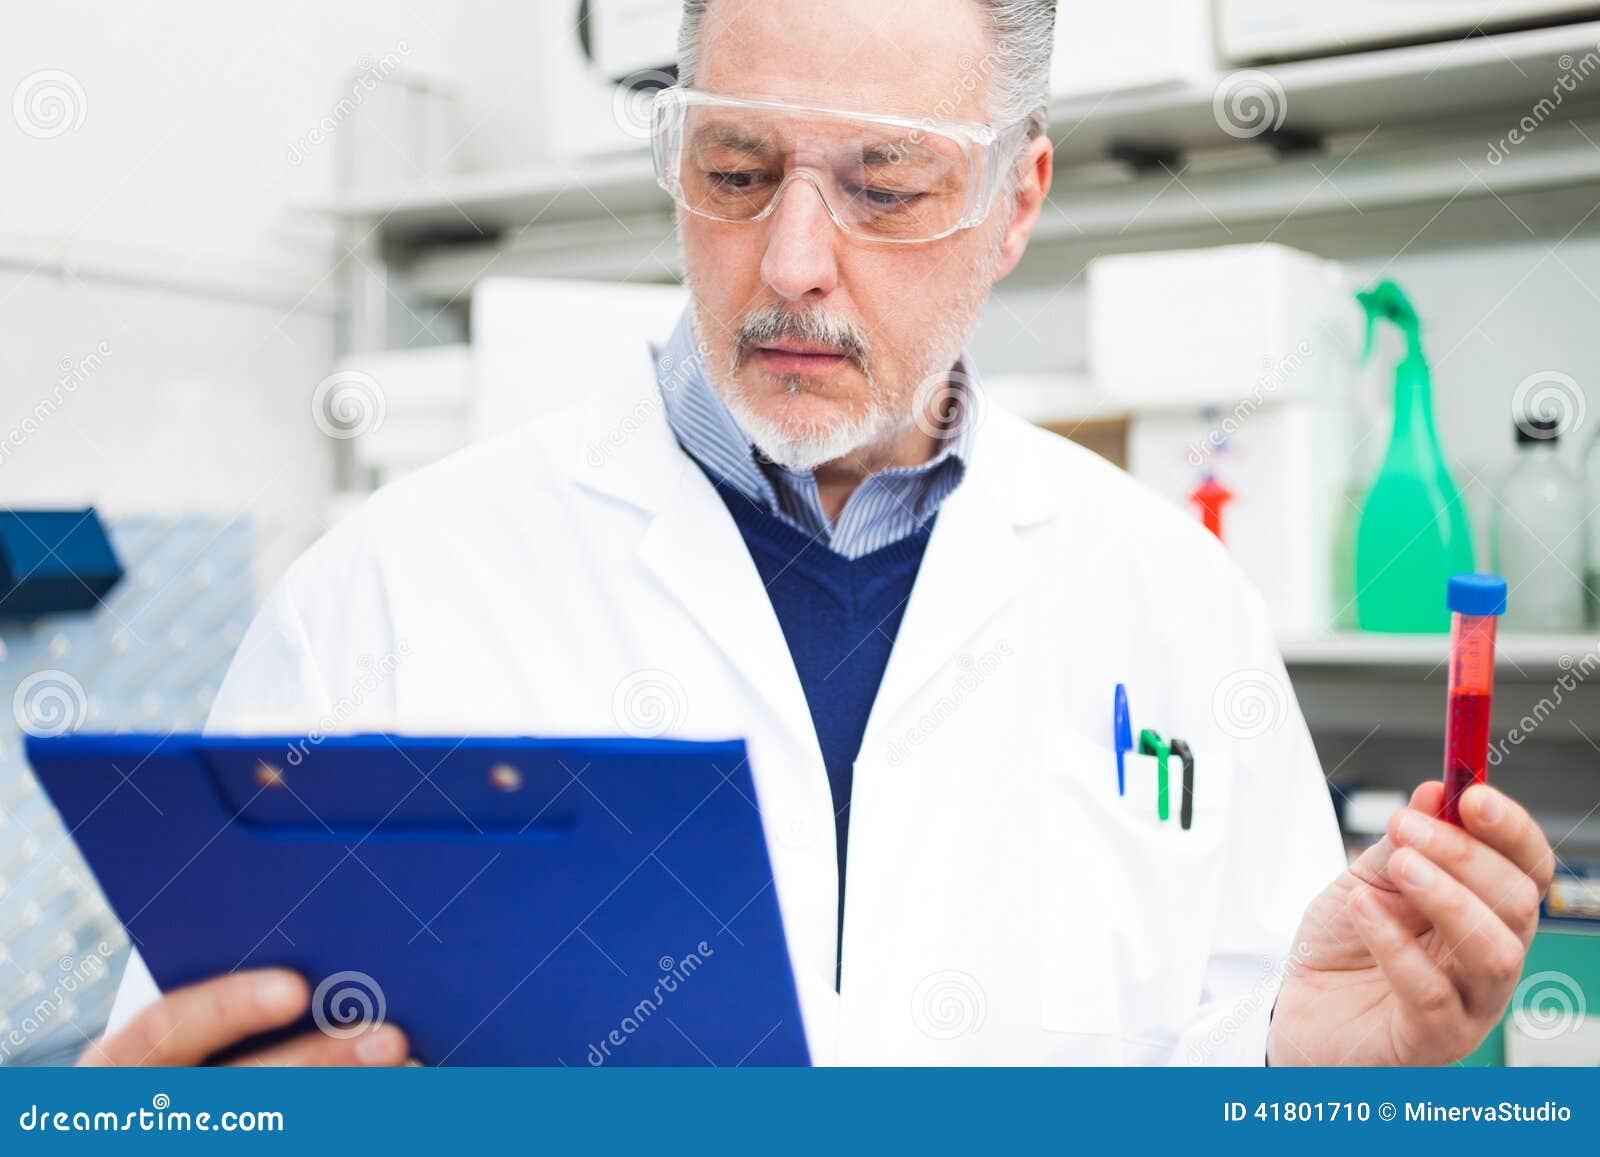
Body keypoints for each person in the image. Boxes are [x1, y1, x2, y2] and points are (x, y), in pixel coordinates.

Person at [83, 0, 1553, 1067]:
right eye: (735, 170)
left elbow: (1242, 1059)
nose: (791, 262)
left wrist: (1319, 1078)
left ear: (1011, 199)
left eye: (885, 185)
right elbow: (187, 1066)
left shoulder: (1172, 600)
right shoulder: (388, 595)